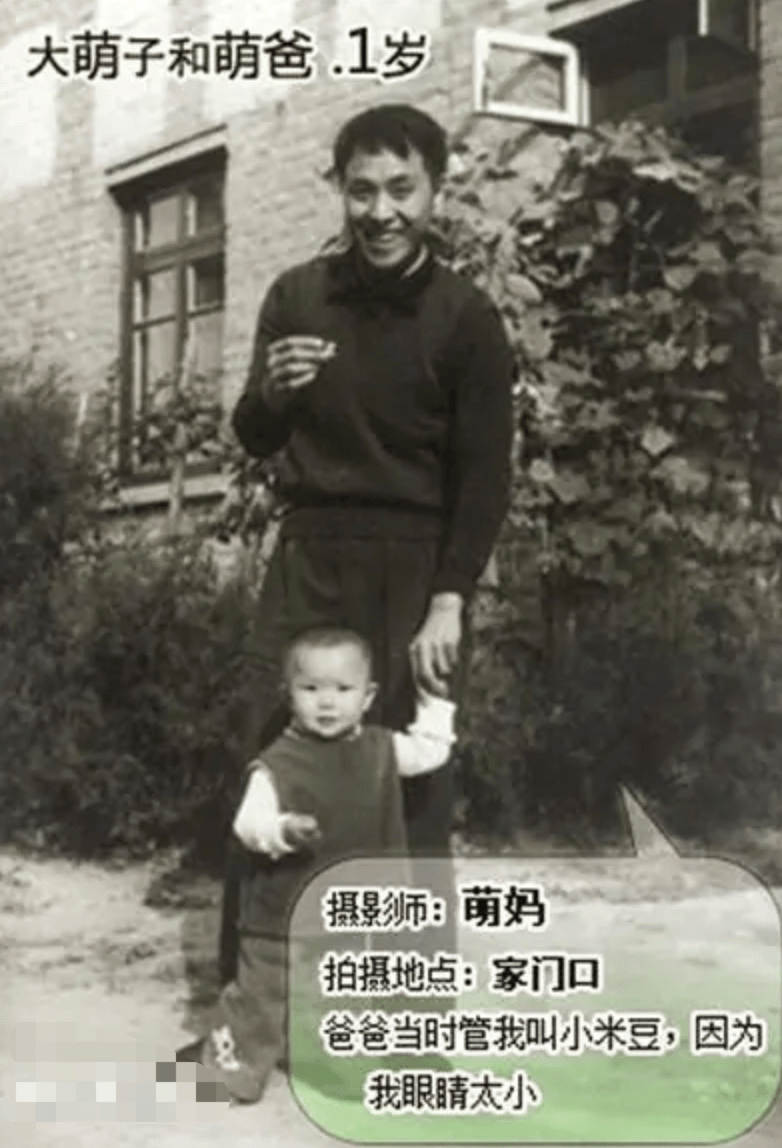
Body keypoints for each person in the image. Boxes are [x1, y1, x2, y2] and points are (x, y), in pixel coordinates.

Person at [219, 101, 515, 985]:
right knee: (273, 760)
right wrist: (272, 394)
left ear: (435, 190)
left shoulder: (466, 317)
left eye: (401, 189)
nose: (381, 211)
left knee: (413, 784)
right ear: (339, 191)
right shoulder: (297, 296)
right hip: (308, 558)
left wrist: (451, 599)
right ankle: (255, 1010)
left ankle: (408, 1012)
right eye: (361, 191)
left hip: (416, 573)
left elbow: (484, 477)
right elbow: (255, 433)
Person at [182, 626, 456, 1104]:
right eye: (310, 689)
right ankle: (230, 1070)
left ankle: (339, 1069)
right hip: (277, 916)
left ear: (368, 697)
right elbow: (249, 824)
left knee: (340, 998)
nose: (327, 702)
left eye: (343, 689)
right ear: (289, 695)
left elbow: (430, 750)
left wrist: (434, 699)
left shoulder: (381, 750)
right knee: (260, 999)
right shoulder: (279, 762)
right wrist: (282, 830)